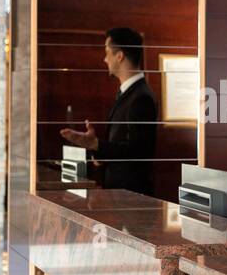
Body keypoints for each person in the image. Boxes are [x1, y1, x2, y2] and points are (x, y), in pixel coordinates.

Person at [60, 27, 158, 196]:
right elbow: (122, 145)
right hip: (122, 194)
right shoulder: (128, 93)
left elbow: (138, 150)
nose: (105, 59)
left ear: (119, 56)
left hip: (131, 196)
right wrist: (98, 150)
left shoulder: (141, 97)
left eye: (107, 53)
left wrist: (96, 145)